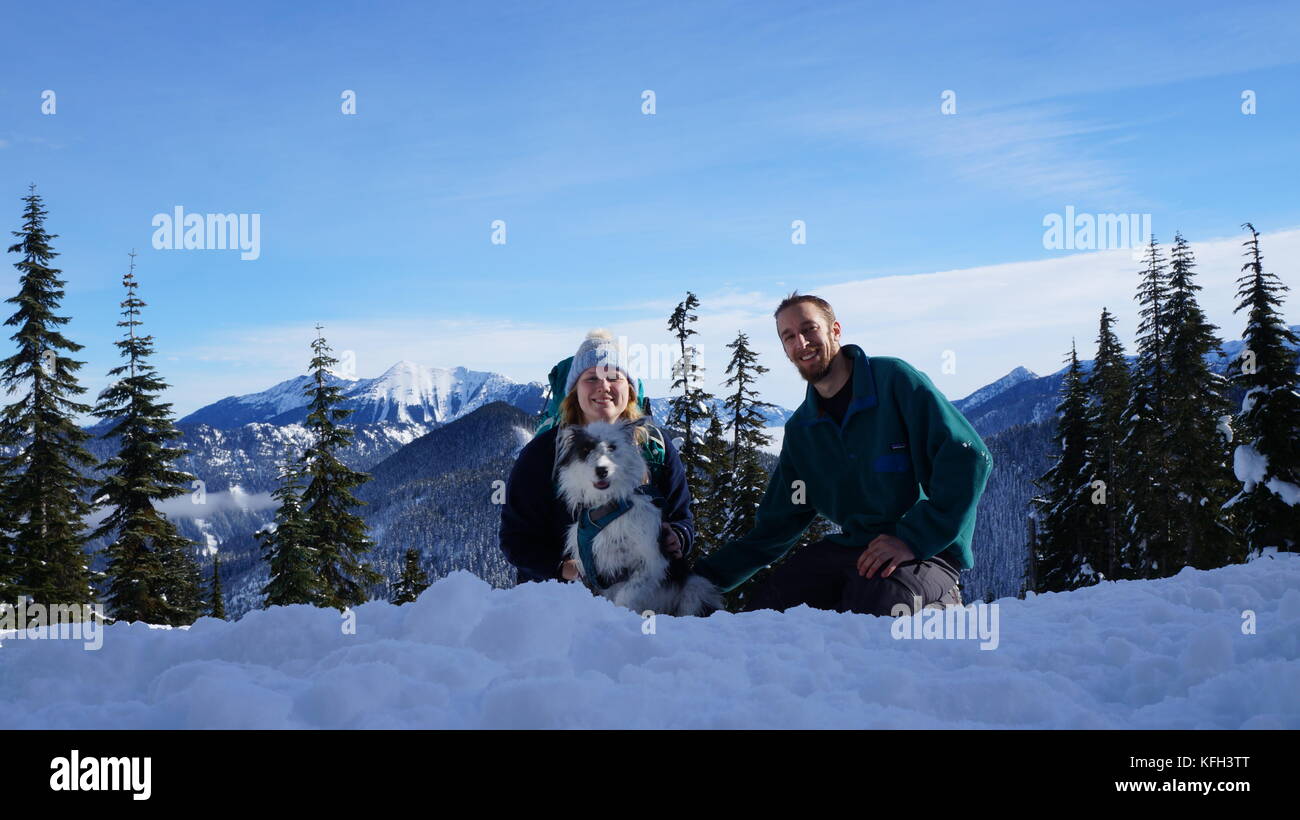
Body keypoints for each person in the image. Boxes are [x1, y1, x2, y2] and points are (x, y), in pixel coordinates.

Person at [693, 293, 992, 616]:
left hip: (927, 553)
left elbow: (968, 456)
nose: (801, 342)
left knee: (873, 611)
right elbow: (775, 527)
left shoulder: (894, 381)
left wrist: (914, 538)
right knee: (768, 612)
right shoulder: (802, 431)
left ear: (835, 330)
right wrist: (698, 579)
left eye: (810, 329)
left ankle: (943, 601)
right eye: (789, 336)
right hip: (854, 550)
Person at [500, 329, 696, 585]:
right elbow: (515, 539)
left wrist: (678, 537)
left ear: (630, 390)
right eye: (591, 378)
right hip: (561, 606)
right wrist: (560, 568)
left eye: (614, 376)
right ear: (574, 392)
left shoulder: (655, 446)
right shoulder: (543, 454)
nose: (603, 386)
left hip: (643, 599)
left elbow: (683, 516)